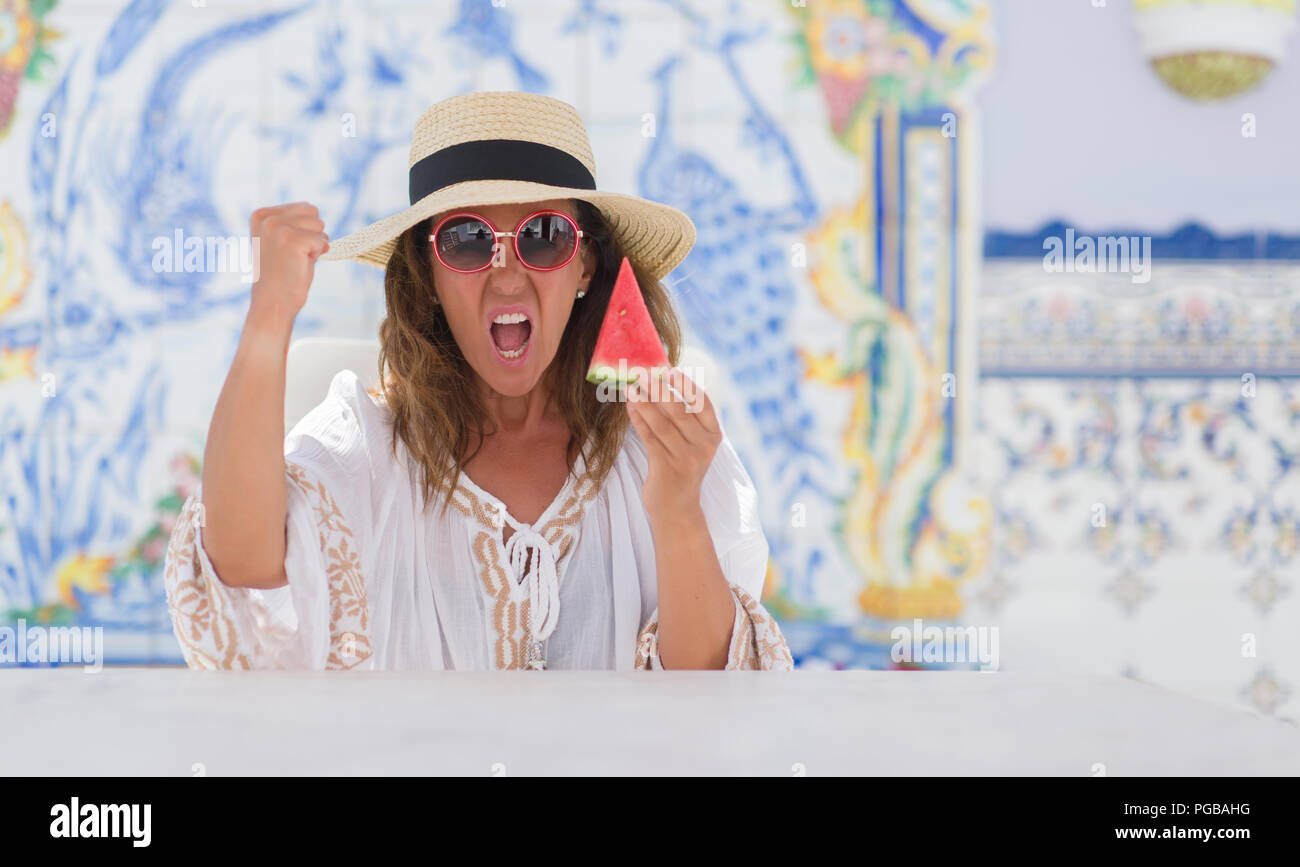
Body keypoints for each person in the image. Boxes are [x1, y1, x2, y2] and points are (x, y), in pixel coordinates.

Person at [163, 90, 793, 671]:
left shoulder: (655, 451)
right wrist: (269, 318)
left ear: (585, 266)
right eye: (466, 241)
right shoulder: (366, 446)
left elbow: (711, 695)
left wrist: (677, 507)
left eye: (544, 237)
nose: (509, 276)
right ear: (428, 279)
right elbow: (240, 564)